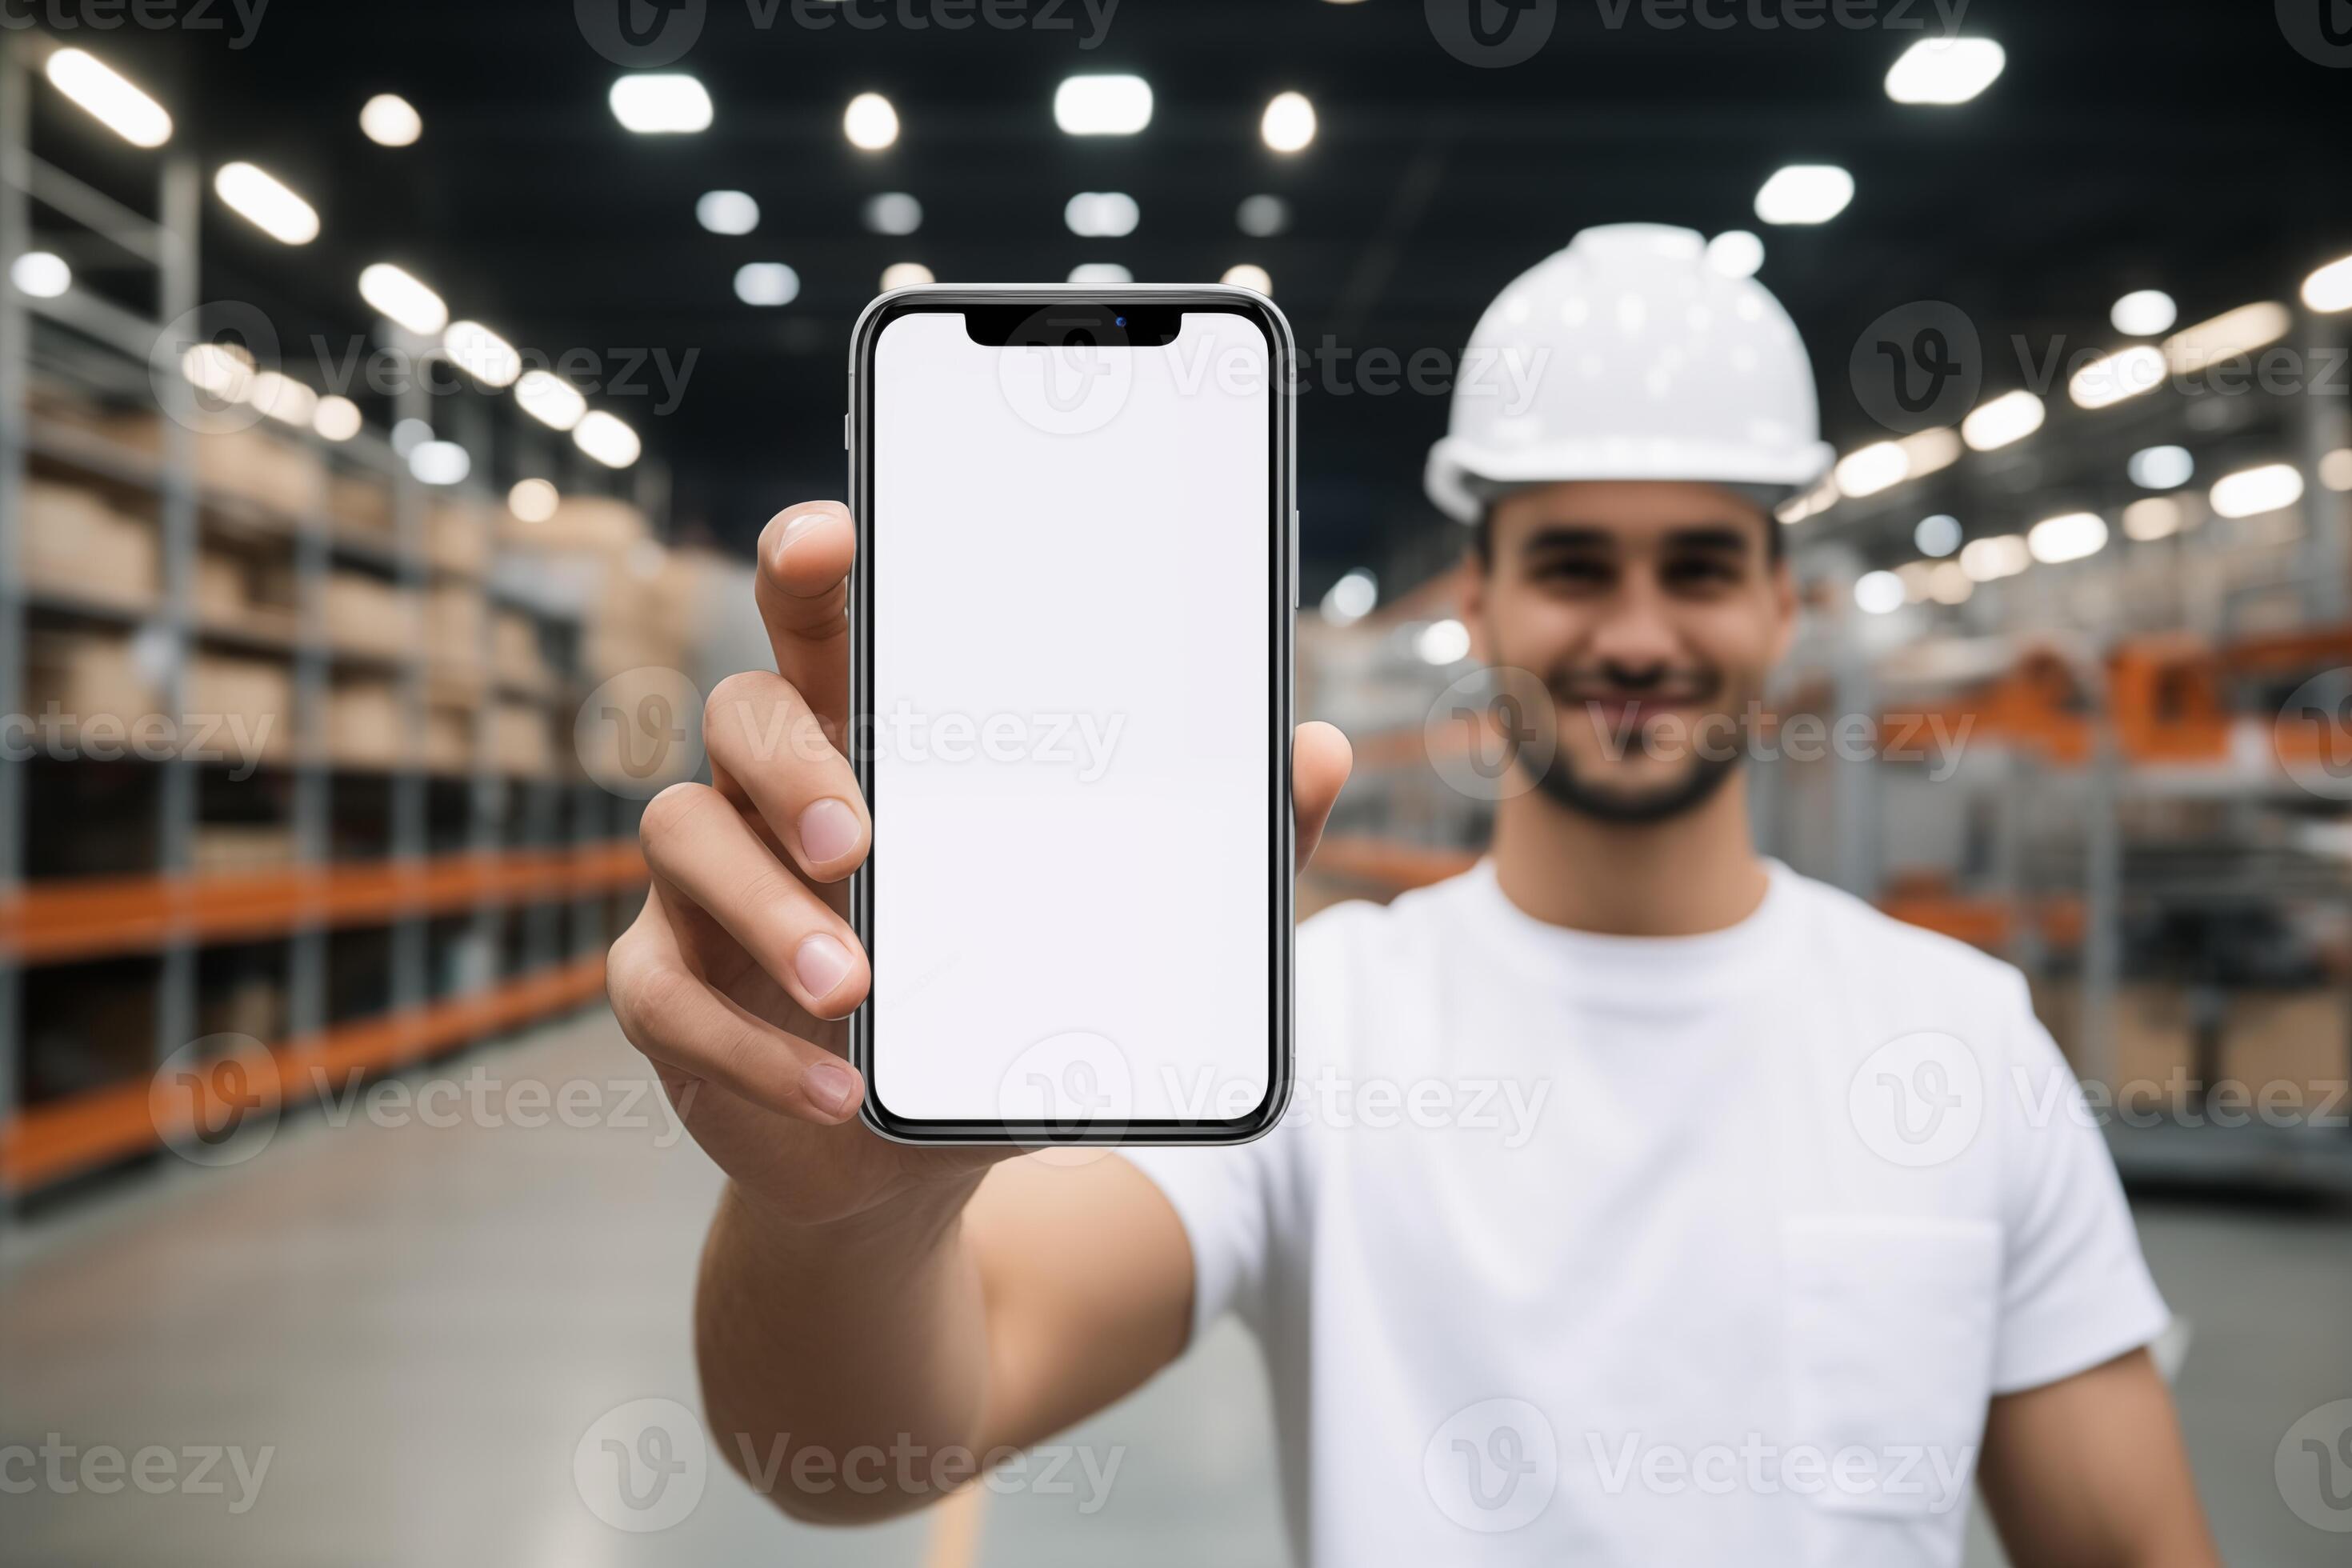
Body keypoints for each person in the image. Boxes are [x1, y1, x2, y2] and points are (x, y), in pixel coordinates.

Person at [606, 224, 2219, 1565]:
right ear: (1488, 595)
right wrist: (852, 1208)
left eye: (1702, 563)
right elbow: (855, 1448)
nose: (1639, 631)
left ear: (1780, 599)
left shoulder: (1962, 1040)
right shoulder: (1330, 1023)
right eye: (1578, 562)